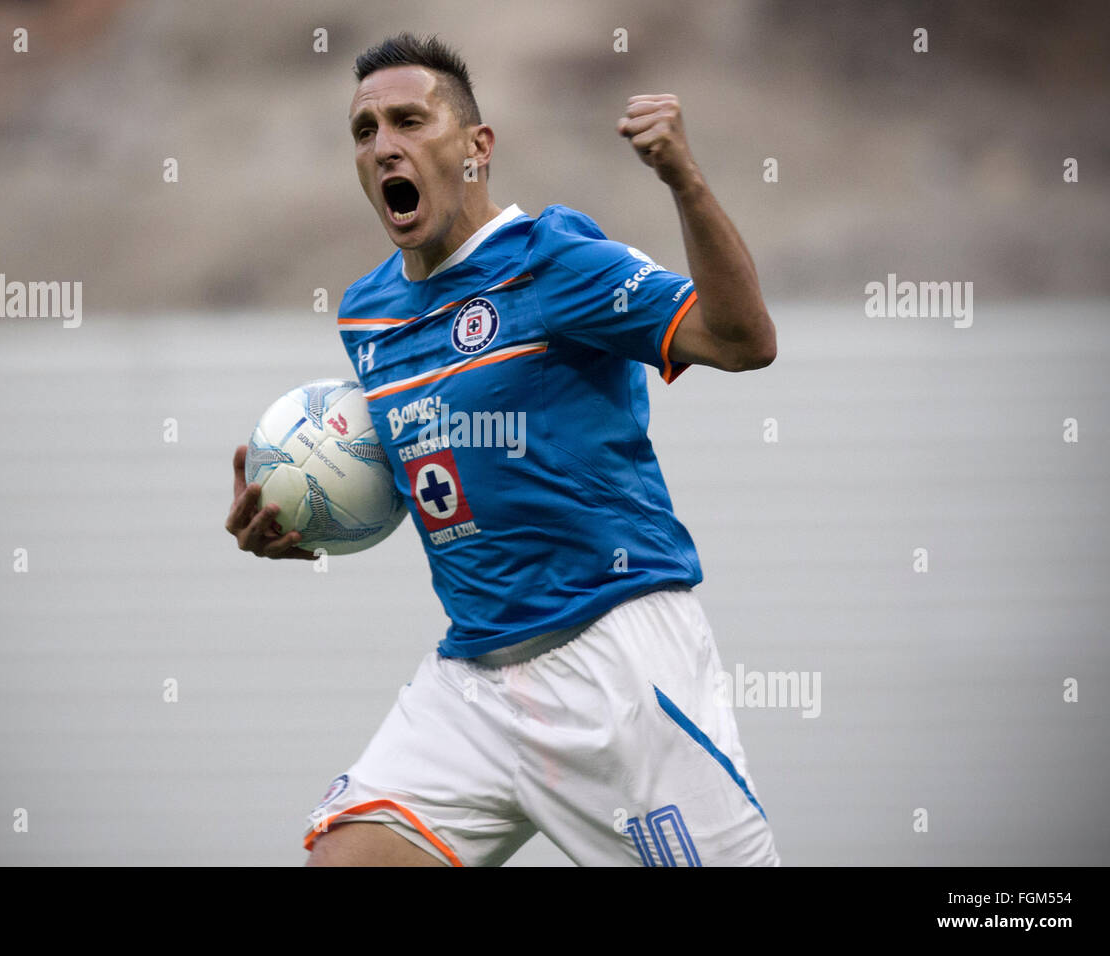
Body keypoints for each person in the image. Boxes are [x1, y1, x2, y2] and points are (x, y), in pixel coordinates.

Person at [225, 32, 779, 867]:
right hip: (476, 682)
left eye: (409, 120)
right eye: (364, 131)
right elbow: (439, 478)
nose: (384, 146)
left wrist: (684, 181)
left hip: (615, 663)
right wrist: (308, 522)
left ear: (476, 148)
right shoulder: (367, 314)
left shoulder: (553, 263)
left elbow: (744, 340)